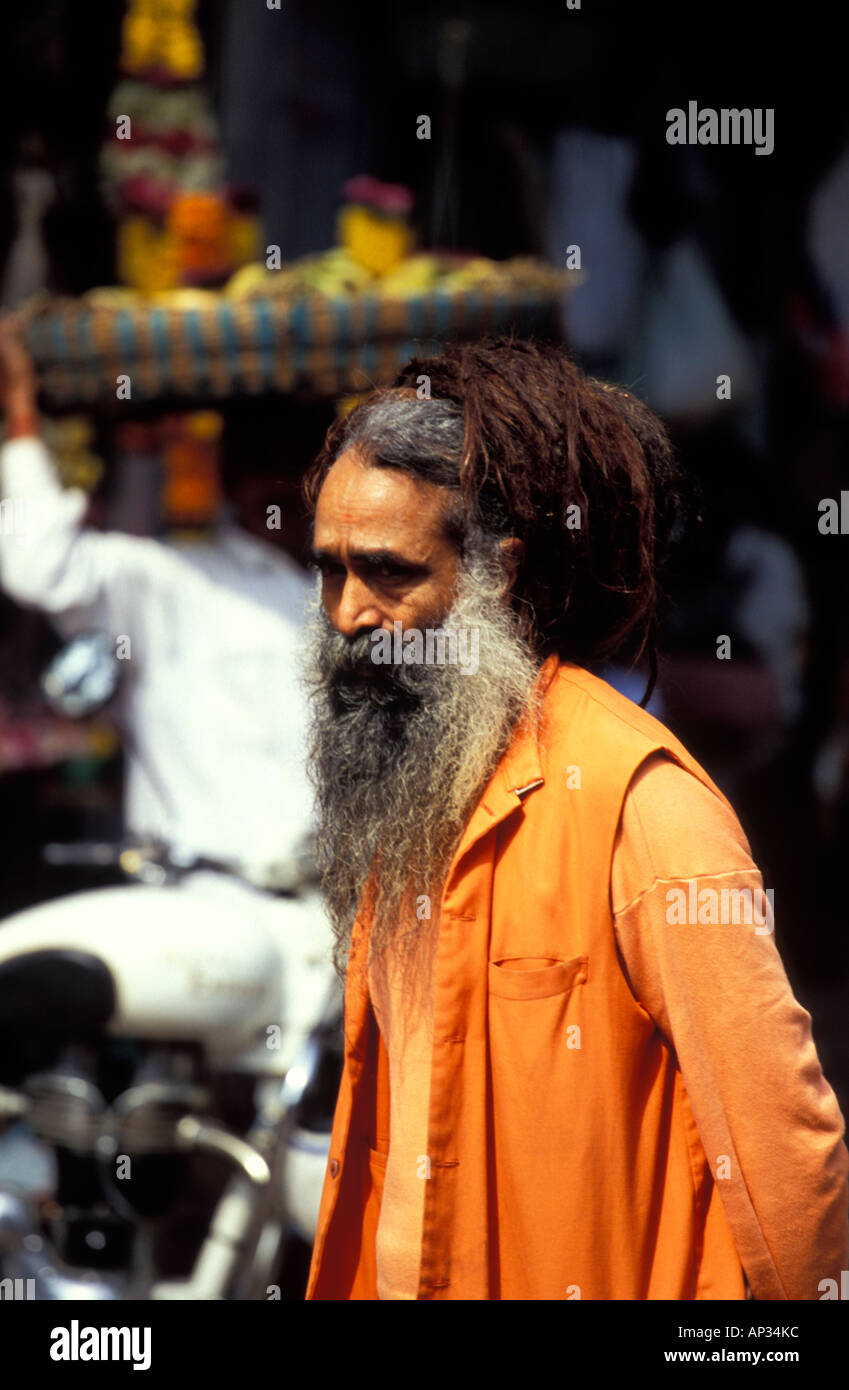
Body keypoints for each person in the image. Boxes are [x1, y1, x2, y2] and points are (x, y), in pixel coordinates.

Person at [299, 336, 849, 1300]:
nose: (348, 612)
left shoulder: (644, 805)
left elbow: (787, 1158)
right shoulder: (409, 789)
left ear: (497, 575)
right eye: (330, 571)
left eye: (389, 573)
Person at [0, 313, 337, 1071]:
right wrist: (22, 419)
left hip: (333, 941)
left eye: (301, 465)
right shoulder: (168, 581)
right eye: (260, 466)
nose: (278, 489)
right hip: (192, 929)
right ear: (226, 474)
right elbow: (37, 565)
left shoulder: (365, 594)